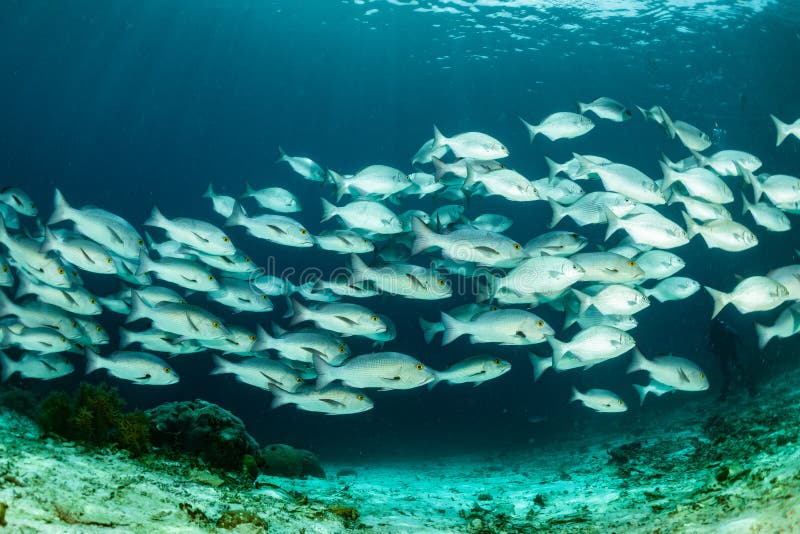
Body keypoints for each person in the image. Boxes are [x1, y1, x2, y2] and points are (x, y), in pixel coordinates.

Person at [708, 318, 756, 400]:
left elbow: (711, 347)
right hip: (727, 353)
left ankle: (725, 394)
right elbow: (737, 336)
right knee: (735, 371)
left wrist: (742, 345)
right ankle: (749, 388)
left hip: (728, 353)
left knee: (730, 373)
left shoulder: (723, 330)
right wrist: (742, 345)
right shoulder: (721, 331)